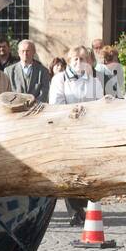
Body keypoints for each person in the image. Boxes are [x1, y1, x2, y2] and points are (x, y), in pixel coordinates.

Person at [49, 46, 103, 226]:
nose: (79, 62)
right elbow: (56, 103)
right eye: (75, 59)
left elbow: (99, 104)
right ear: (69, 61)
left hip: (89, 131)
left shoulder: (94, 81)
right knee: (70, 172)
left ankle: (86, 206)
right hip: (68, 131)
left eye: (82, 59)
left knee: (87, 171)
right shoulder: (60, 79)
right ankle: (74, 210)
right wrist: (74, 116)